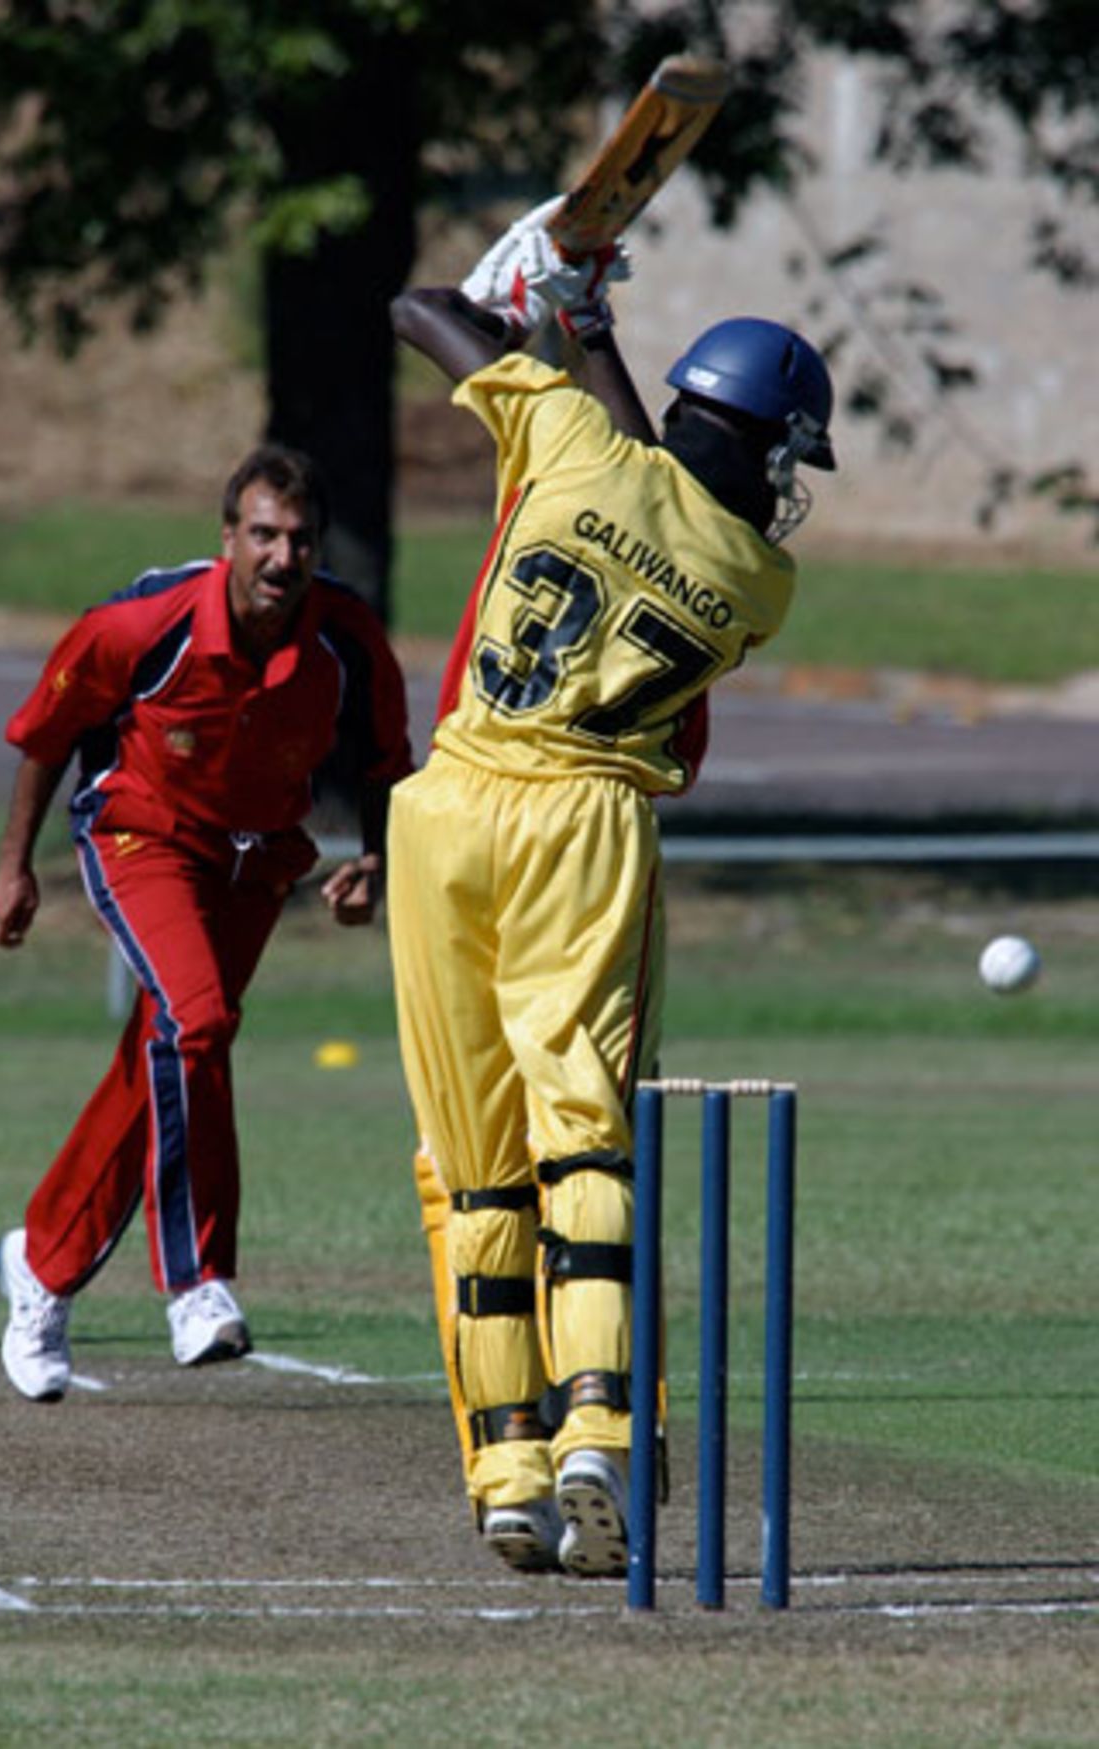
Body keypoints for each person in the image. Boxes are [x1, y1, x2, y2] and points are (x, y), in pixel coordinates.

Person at [386, 204, 835, 1577]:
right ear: (754, 443)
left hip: (446, 804)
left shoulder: (566, 445)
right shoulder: (757, 581)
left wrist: (530, 293)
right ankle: (595, 1425)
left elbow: (420, 313)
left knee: (478, 1172)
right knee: (582, 1135)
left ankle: (508, 1472)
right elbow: (670, 486)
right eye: (785, 454)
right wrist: (584, 326)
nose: (787, 484)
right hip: (580, 824)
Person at [0, 443, 412, 1403]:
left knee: (169, 1052)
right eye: (263, 535)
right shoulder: (143, 624)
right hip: (140, 834)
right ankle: (196, 1280)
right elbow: (45, 737)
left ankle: (41, 1266)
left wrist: (376, 860)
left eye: (300, 539)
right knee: (197, 1023)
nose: (281, 557)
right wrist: (14, 869)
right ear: (228, 539)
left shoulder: (347, 636)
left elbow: (388, 763)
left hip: (255, 860)